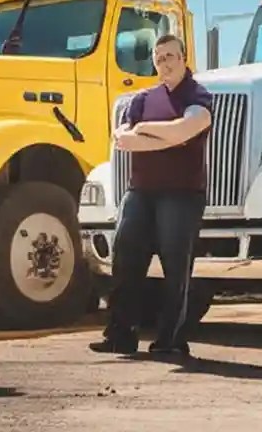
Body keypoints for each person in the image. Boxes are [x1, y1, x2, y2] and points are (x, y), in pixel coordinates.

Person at [90, 33, 214, 359]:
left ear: (184, 59)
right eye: (159, 58)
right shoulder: (142, 99)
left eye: (171, 56)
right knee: (125, 260)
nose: (164, 63)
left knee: (176, 268)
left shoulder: (198, 96)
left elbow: (184, 131)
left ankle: (170, 341)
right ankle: (120, 335)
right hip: (140, 191)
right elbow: (123, 137)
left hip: (182, 194)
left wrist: (150, 131)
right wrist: (164, 134)